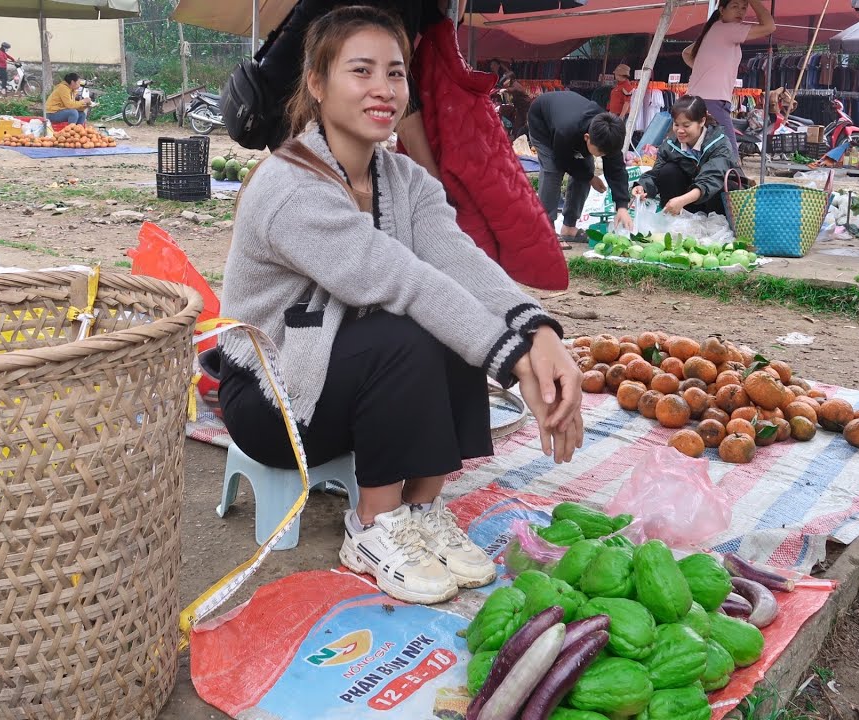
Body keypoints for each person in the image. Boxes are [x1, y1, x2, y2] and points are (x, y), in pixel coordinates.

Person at [217, 6, 584, 606]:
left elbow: (460, 261)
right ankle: (373, 524)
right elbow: (401, 280)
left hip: (341, 375)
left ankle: (420, 510)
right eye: (361, 71)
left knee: (453, 317)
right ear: (316, 82)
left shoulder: (404, 180)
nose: (383, 90)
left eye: (395, 73)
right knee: (410, 327)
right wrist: (514, 359)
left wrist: (539, 334)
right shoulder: (289, 187)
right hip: (273, 396)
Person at [248, 0, 458, 178]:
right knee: (315, 177)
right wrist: (435, 184)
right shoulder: (368, 31)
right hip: (288, 93)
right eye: (362, 70)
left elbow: (439, 18)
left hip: (310, 91)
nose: (385, 91)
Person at [527, 91, 634, 246]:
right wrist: (590, 178)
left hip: (568, 119)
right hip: (542, 122)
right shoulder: (566, 131)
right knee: (553, 171)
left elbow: (617, 170)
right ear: (587, 138)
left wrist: (622, 206)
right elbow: (562, 159)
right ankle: (545, 230)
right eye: (601, 153)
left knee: (587, 168)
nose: (603, 156)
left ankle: (569, 227)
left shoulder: (609, 133)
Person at [682, 0, 775, 162]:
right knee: (730, 157)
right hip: (711, 102)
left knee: (702, 154)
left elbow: (687, 53)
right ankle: (735, 183)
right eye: (735, 6)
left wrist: (706, 70)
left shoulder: (715, 29)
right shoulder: (727, 29)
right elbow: (769, 26)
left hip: (698, 100)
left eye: (744, 7)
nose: (740, 11)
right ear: (722, 10)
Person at [631, 95, 740, 217]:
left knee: (724, 186)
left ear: (702, 121)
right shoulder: (670, 145)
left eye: (686, 125)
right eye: (676, 125)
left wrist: (682, 200)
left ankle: (713, 227)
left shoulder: (720, 143)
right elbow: (655, 173)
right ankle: (673, 220)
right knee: (668, 171)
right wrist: (642, 187)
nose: (680, 130)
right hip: (686, 202)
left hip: (716, 202)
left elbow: (711, 179)